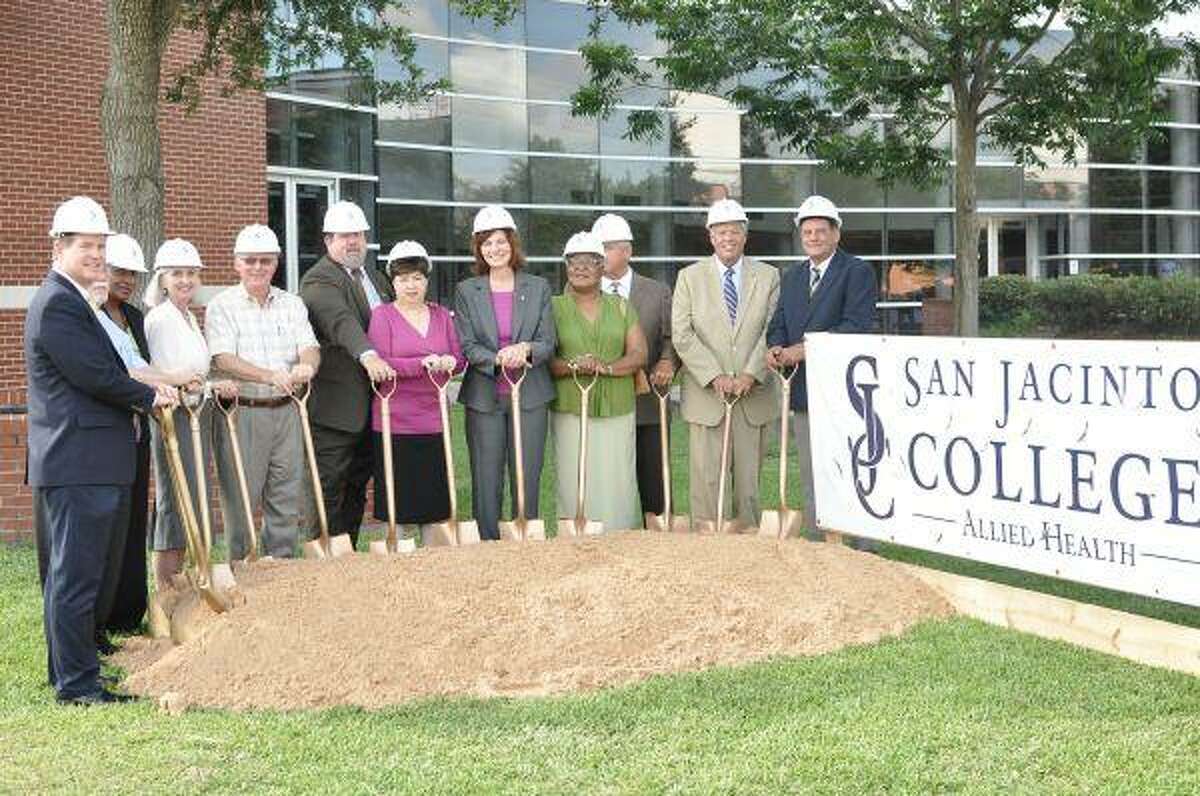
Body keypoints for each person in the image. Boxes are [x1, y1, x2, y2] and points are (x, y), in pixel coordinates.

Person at [27, 196, 175, 704]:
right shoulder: (58, 303)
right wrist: (152, 394)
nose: (94, 254)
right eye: (85, 245)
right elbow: (95, 376)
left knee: (76, 576)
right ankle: (77, 685)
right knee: (75, 578)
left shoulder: (75, 300)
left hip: (84, 459)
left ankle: (71, 671)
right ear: (58, 246)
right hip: (79, 460)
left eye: (99, 246)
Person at [205, 224, 321, 560]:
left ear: (276, 263)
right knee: (241, 498)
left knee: (285, 496)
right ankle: (243, 568)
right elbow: (223, 357)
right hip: (243, 412)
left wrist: (306, 367)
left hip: (287, 410)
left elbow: (310, 347)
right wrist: (269, 375)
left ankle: (281, 569)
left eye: (266, 261)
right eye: (251, 260)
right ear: (237, 264)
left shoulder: (292, 303)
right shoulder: (222, 305)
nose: (258, 267)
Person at [766, 195, 877, 536]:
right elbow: (780, 320)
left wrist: (804, 349)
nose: (813, 237)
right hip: (803, 390)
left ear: (836, 234)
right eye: (807, 232)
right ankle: (820, 542)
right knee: (813, 470)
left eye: (820, 231)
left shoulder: (857, 271)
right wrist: (775, 346)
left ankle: (860, 544)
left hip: (843, 391)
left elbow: (856, 325)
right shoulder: (794, 276)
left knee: (849, 466)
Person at [672, 198, 780, 529]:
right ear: (710, 236)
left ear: (745, 236)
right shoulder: (689, 277)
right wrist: (714, 374)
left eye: (734, 232)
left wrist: (751, 372)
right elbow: (682, 332)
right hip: (708, 397)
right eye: (721, 232)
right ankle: (707, 552)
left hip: (753, 397)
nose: (728, 239)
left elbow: (772, 328)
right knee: (706, 484)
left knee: (747, 485)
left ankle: (746, 554)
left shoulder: (769, 275)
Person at [454, 205, 556, 541]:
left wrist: (525, 349)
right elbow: (467, 345)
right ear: (478, 249)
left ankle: (525, 543)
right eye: (487, 243)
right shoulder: (468, 290)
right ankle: (488, 545)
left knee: (527, 474)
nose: (494, 249)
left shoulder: (538, 286)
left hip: (530, 395)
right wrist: (498, 357)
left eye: (500, 241)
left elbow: (547, 341)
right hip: (485, 396)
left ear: (512, 244)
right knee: (486, 477)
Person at [299, 201, 396, 550]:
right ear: (328, 240)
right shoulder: (320, 279)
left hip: (374, 406)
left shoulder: (377, 279)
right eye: (344, 236)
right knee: (328, 488)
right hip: (335, 408)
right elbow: (340, 320)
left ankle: (347, 558)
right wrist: (368, 355)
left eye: (358, 235)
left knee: (357, 487)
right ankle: (321, 557)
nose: (353, 242)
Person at [144, 239, 237, 590]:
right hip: (175, 417)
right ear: (163, 279)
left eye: (192, 273)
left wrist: (216, 385)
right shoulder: (160, 320)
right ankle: (167, 587)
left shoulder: (188, 318)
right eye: (177, 274)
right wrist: (196, 387)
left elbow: (194, 376)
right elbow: (157, 374)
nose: (185, 280)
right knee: (176, 497)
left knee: (194, 496)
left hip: (198, 413)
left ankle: (189, 576)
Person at [550, 231, 647, 531]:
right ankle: (576, 536)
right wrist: (574, 366)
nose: (580, 267)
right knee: (573, 474)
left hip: (617, 403)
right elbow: (544, 359)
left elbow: (639, 353)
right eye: (573, 262)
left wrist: (604, 367)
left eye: (589, 261)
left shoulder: (620, 306)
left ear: (602, 266)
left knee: (616, 474)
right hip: (569, 405)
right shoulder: (552, 307)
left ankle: (618, 535)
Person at [366, 240, 464, 535]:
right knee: (399, 506)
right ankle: (397, 565)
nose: (411, 285)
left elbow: (460, 359)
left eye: (417, 278)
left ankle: (433, 567)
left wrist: (449, 361)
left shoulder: (441, 315)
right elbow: (381, 364)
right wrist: (421, 364)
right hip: (394, 421)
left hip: (435, 421)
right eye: (404, 279)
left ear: (427, 280)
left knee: (435, 506)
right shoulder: (382, 316)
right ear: (393, 282)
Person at [592, 213, 677, 522]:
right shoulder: (584, 292)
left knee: (655, 481)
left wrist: (668, 359)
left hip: (650, 404)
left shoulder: (657, 291)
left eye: (605, 249)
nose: (598, 258)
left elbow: (670, 338)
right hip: (604, 402)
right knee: (611, 480)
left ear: (626, 251)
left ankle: (659, 541)